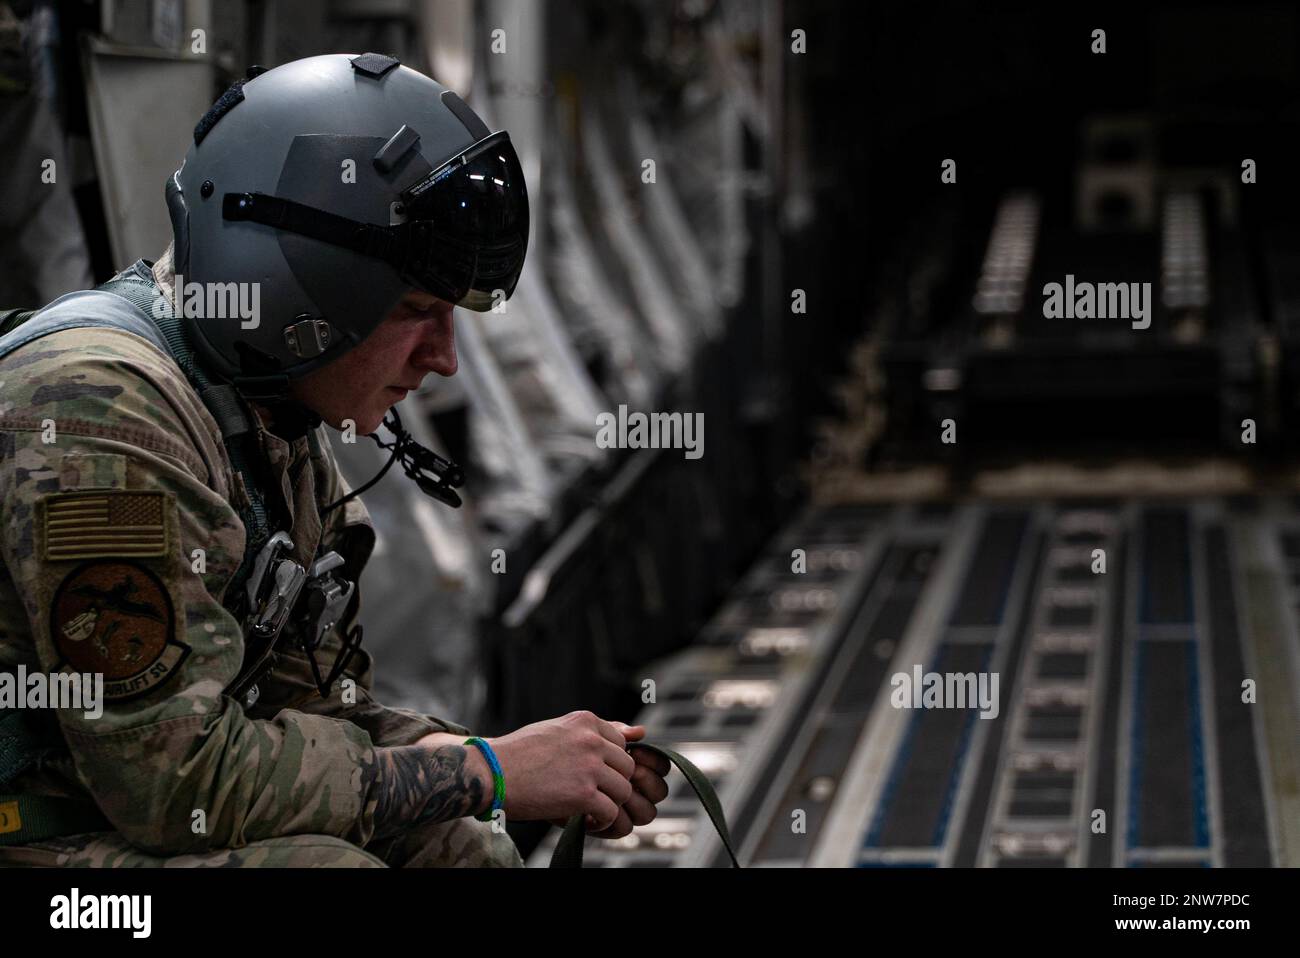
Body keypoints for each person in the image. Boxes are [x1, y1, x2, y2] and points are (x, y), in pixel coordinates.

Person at [0, 52, 669, 867]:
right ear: (294, 291)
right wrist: (485, 770)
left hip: (119, 817)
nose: (445, 360)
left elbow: (317, 713)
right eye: (418, 312)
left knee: (460, 848)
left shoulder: (264, 414)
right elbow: (175, 788)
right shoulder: (100, 411)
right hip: (46, 835)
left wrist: (546, 765)